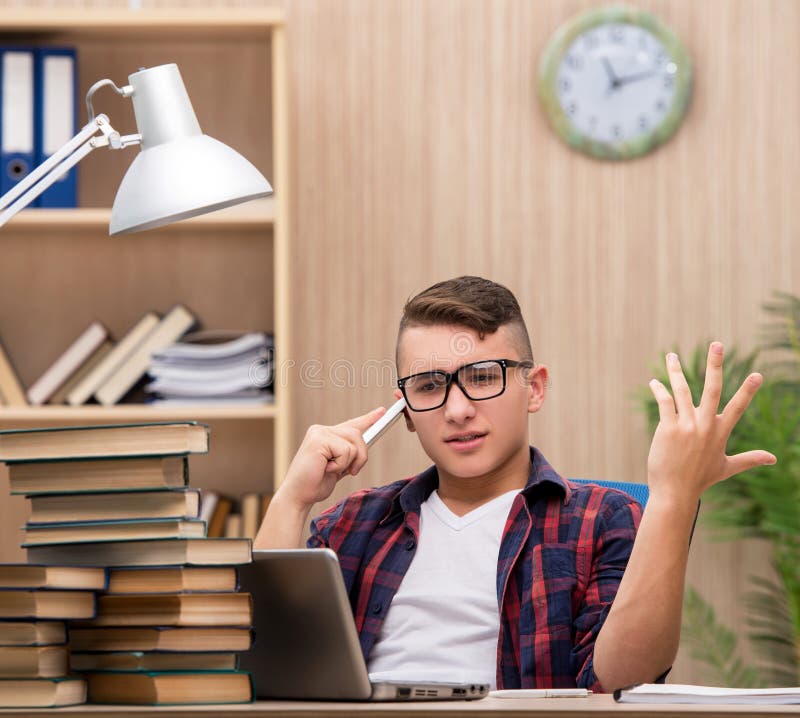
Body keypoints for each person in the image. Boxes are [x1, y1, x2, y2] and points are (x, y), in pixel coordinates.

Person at [255, 276, 775, 692]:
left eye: (483, 376)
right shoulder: (356, 522)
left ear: (535, 388)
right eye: (430, 386)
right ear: (405, 410)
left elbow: (622, 676)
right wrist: (292, 499)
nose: (457, 410)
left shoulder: (602, 519)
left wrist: (674, 495)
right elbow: (257, 655)